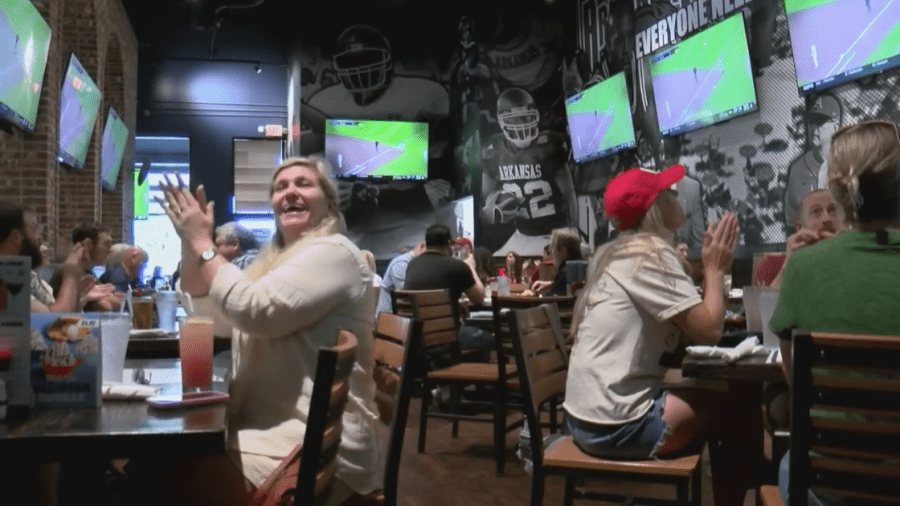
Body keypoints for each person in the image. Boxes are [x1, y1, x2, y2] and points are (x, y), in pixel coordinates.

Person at [155, 156, 386, 505]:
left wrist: (204, 244)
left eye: (303, 184)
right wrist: (190, 243)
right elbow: (212, 317)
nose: (289, 191)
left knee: (158, 475)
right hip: (279, 435)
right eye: (280, 187)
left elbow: (253, 311)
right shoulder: (280, 259)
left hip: (312, 450)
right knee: (160, 466)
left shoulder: (334, 253)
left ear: (330, 202)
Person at [563, 165, 758, 506]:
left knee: (727, 393)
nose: (676, 194)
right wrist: (714, 268)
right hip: (617, 428)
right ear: (655, 208)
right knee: (739, 397)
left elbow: (689, 334)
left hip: (583, 421)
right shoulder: (648, 255)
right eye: (668, 191)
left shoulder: (618, 253)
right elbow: (710, 331)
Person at [770, 119, 900, 505]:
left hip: (827, 484)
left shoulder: (803, 267)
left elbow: (798, 384)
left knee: (788, 460)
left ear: (839, 191)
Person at [480, 87, 576, 257]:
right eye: (514, 120)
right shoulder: (493, 149)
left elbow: (569, 193)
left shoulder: (549, 145)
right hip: (522, 233)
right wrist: (496, 211)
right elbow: (487, 202)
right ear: (502, 121)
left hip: (552, 233)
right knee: (496, 260)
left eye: (525, 118)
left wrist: (572, 233)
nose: (521, 125)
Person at [404, 224, 491, 353]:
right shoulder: (457, 266)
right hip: (447, 339)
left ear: (427, 243)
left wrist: (453, 304)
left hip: (415, 340)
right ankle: (467, 370)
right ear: (448, 244)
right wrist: (471, 267)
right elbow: (479, 298)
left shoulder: (412, 265)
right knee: (492, 340)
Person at [0, 200, 91, 314]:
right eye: (34, 230)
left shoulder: (27, 276)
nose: (40, 238)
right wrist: (70, 274)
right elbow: (53, 321)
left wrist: (75, 280)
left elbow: (66, 318)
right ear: (16, 236)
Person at [755, 189, 841, 288]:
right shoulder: (774, 265)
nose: (827, 219)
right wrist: (788, 266)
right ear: (800, 227)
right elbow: (766, 303)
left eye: (833, 210)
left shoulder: (856, 258)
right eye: (816, 211)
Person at [784, 93, 842, 228]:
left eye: (821, 122)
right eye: (812, 121)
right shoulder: (797, 169)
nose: (814, 127)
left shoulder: (850, 165)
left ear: (836, 127)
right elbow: (791, 219)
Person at [375, 241, 425, 317]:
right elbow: (403, 293)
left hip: (400, 315)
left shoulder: (415, 263)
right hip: (388, 316)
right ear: (421, 247)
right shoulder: (401, 263)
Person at [530, 227, 584, 296]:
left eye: (553, 248)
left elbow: (556, 304)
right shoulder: (585, 266)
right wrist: (552, 284)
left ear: (563, 250)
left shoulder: (565, 273)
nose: (551, 252)